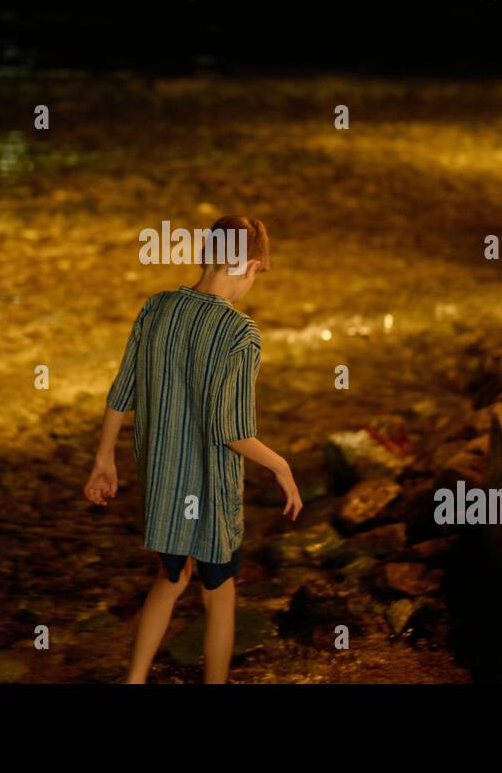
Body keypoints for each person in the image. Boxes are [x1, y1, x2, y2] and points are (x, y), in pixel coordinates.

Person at [84, 215, 302, 683]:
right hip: (209, 489)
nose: (251, 286)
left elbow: (122, 390)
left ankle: (135, 679)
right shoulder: (240, 334)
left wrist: (104, 459)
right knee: (219, 593)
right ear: (248, 265)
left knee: (172, 577)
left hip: (163, 483)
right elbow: (232, 430)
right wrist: (280, 464)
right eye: (256, 275)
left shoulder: (156, 307)